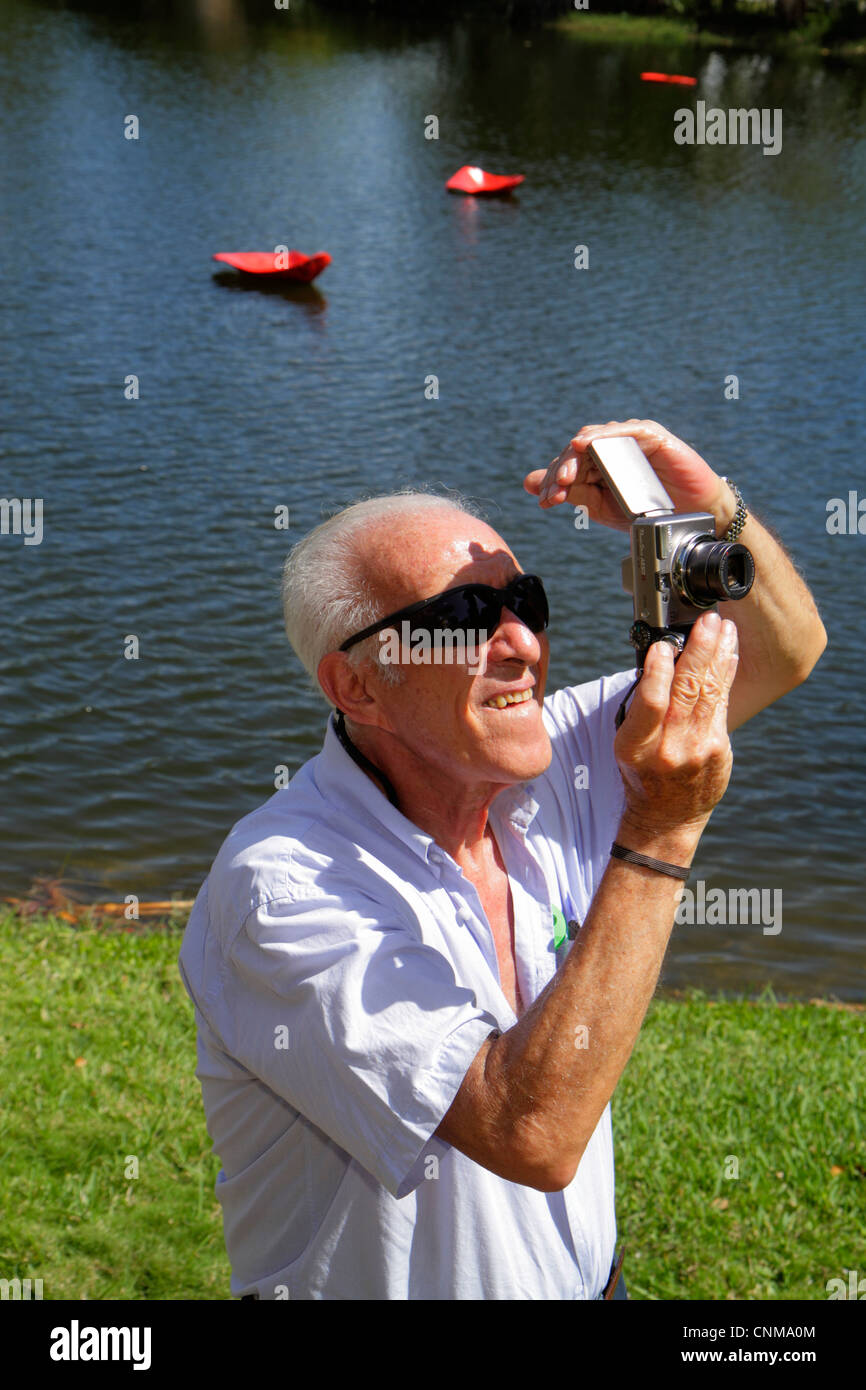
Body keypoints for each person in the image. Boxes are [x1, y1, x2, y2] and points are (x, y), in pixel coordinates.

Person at [178, 418, 826, 1300]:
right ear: (357, 685)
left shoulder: (547, 759)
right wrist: (662, 832)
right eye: (465, 618)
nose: (521, 641)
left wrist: (709, 507)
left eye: (526, 600)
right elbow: (532, 1133)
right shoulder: (284, 883)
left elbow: (787, 651)